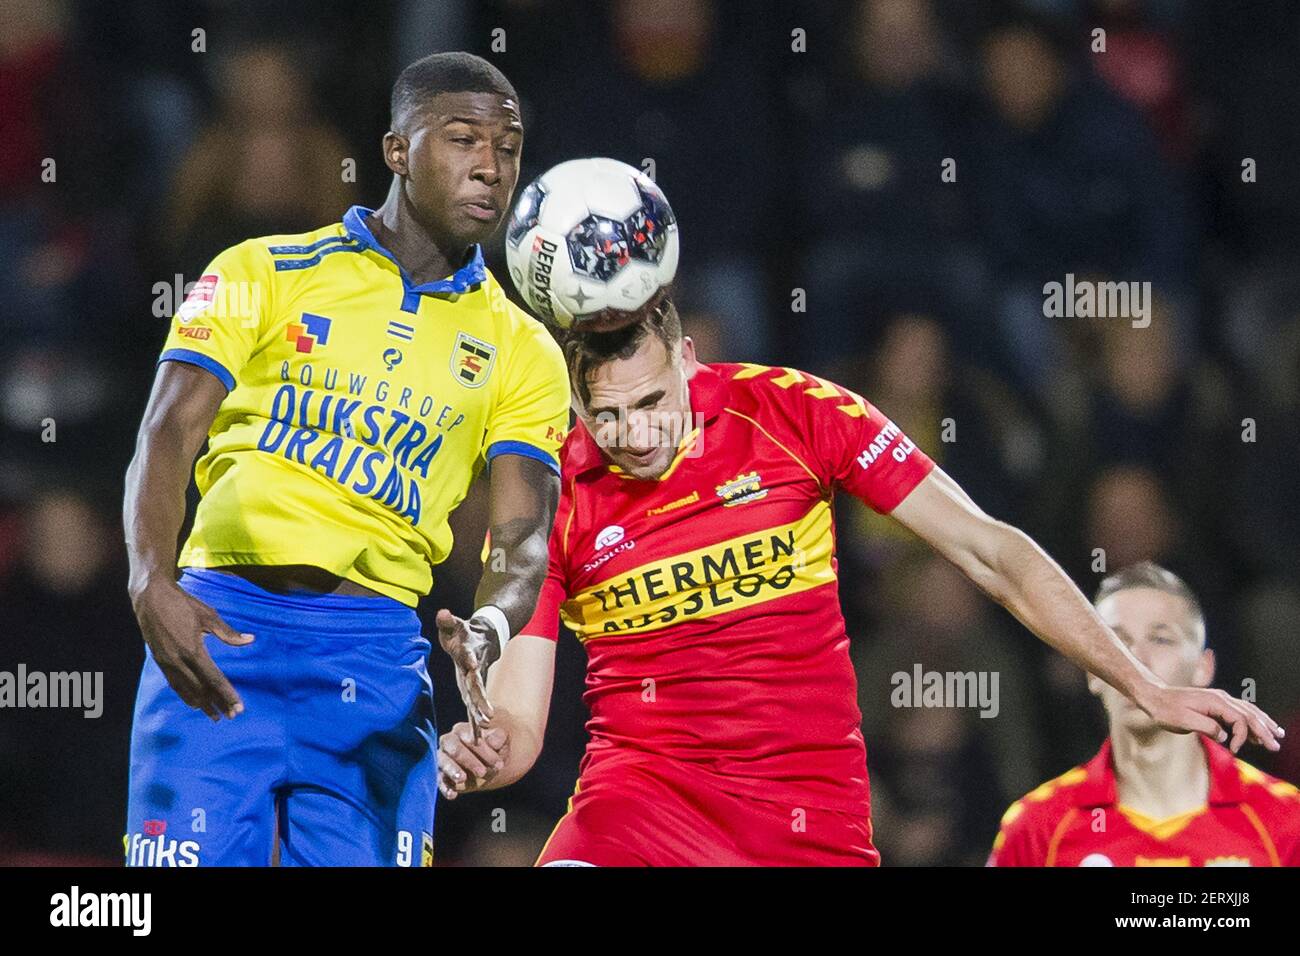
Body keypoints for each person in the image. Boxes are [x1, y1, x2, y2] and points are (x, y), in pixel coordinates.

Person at [435, 302, 1283, 866]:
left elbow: (991, 551)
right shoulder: (553, 494)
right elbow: (520, 726)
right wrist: (483, 752)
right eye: (606, 415)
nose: (635, 434)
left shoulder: (793, 413)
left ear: (690, 359)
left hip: (810, 820)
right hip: (642, 807)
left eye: (653, 400)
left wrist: (1139, 684)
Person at [122, 52, 568, 867]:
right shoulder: (262, 269)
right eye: (463, 138)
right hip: (222, 630)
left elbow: (522, 536)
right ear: (398, 152)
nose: (490, 166)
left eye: (508, 148)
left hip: (376, 663)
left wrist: (491, 625)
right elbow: (166, 433)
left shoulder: (524, 348)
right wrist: (151, 576)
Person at [988, 562, 1300, 867]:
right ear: (1092, 673)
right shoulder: (1037, 828)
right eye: (1117, 643)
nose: (1137, 661)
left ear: (1204, 668)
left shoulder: (1285, 820)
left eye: (1160, 639)